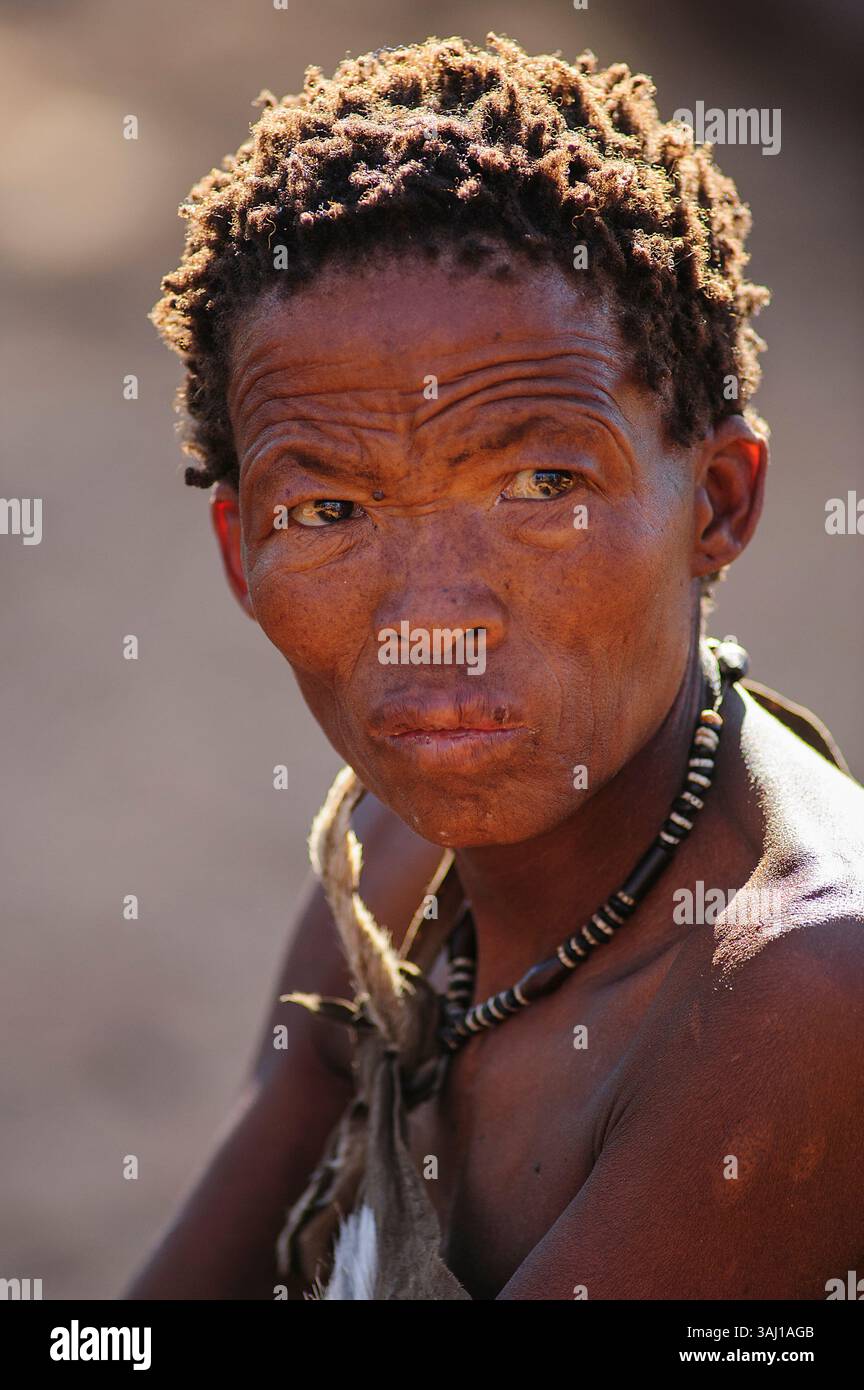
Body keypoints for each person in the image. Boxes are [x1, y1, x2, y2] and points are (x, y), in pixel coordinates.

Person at [124, 34, 864, 1301]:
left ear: (720, 504)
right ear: (242, 553)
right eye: (332, 512)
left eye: (544, 486)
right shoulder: (400, 872)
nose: (434, 622)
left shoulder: (804, 992)